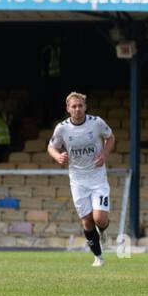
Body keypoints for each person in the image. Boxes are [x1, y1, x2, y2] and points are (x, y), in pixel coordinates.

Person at [47, 92, 114, 267]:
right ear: (68, 109)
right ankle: (98, 257)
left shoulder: (96, 123)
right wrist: (57, 156)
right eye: (73, 106)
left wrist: (104, 154)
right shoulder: (62, 128)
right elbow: (51, 146)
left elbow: (110, 137)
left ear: (85, 107)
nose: (77, 109)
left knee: (99, 218)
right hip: (77, 181)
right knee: (87, 221)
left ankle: (104, 230)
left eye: (80, 106)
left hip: (98, 178)